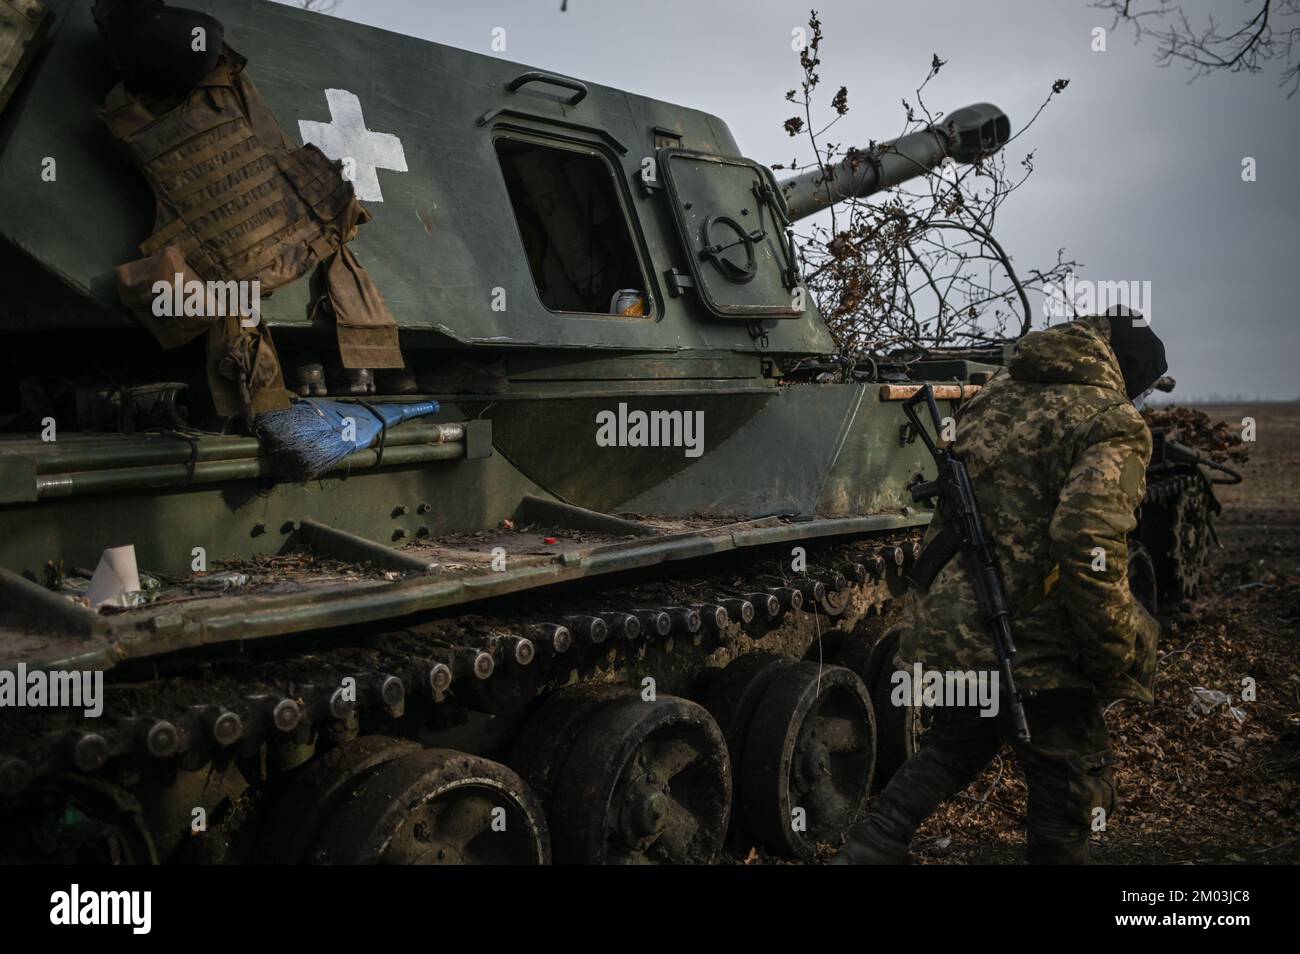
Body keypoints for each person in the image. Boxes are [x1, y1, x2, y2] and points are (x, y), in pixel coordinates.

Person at [833, 308, 1167, 865]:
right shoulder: (1111, 423)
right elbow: (1089, 544)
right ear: (1127, 375)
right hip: (1040, 645)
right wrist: (1112, 651)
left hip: (964, 626)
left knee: (953, 747)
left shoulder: (994, 395)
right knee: (1067, 792)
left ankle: (867, 849)